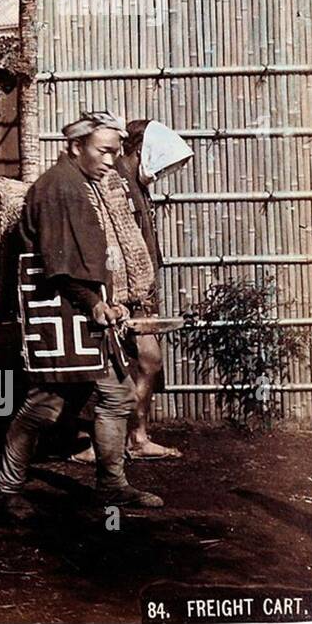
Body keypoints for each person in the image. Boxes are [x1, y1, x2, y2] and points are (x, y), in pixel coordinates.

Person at [0, 110, 164, 521]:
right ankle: (6, 490)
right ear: (75, 147)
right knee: (45, 405)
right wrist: (95, 303)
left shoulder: (86, 187)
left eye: (115, 152)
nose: (111, 160)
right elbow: (59, 265)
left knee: (118, 394)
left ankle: (112, 486)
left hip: (87, 310)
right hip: (61, 309)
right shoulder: (59, 190)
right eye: (103, 151)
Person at [118, 119, 193, 459]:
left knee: (140, 365)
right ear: (139, 151)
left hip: (143, 291)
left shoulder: (138, 185)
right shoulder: (118, 184)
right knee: (147, 361)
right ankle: (129, 438)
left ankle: (134, 436)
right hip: (128, 294)